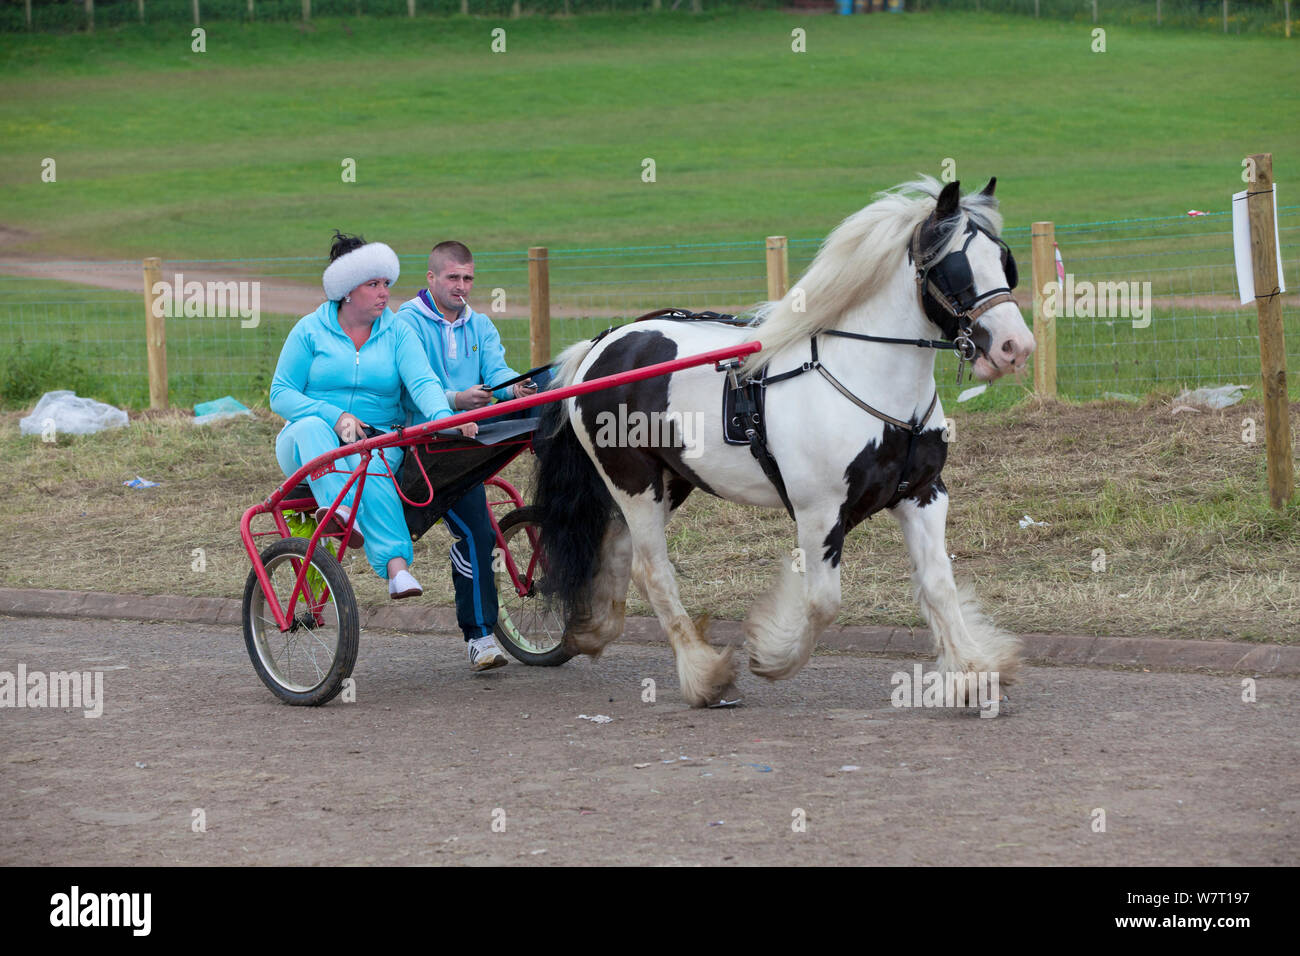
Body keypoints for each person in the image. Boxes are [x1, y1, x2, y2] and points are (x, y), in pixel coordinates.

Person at [270, 232, 477, 601]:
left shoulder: (398, 332)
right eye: (373, 284)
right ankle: (341, 511)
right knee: (314, 428)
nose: (385, 292)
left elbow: (424, 383)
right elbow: (280, 393)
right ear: (347, 290)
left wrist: (445, 419)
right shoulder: (309, 331)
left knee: (374, 459)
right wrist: (333, 416)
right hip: (305, 442)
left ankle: (397, 570)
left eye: (386, 283)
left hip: (374, 439)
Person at [396, 240, 545, 671]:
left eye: (468, 278)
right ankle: (480, 637)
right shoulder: (407, 323)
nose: (462, 287)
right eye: (453, 278)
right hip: (427, 451)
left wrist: (514, 389)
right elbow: (410, 388)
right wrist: (456, 400)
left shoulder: (480, 326)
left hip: (471, 442)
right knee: (478, 534)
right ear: (431, 279)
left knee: (548, 389)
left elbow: (497, 374)